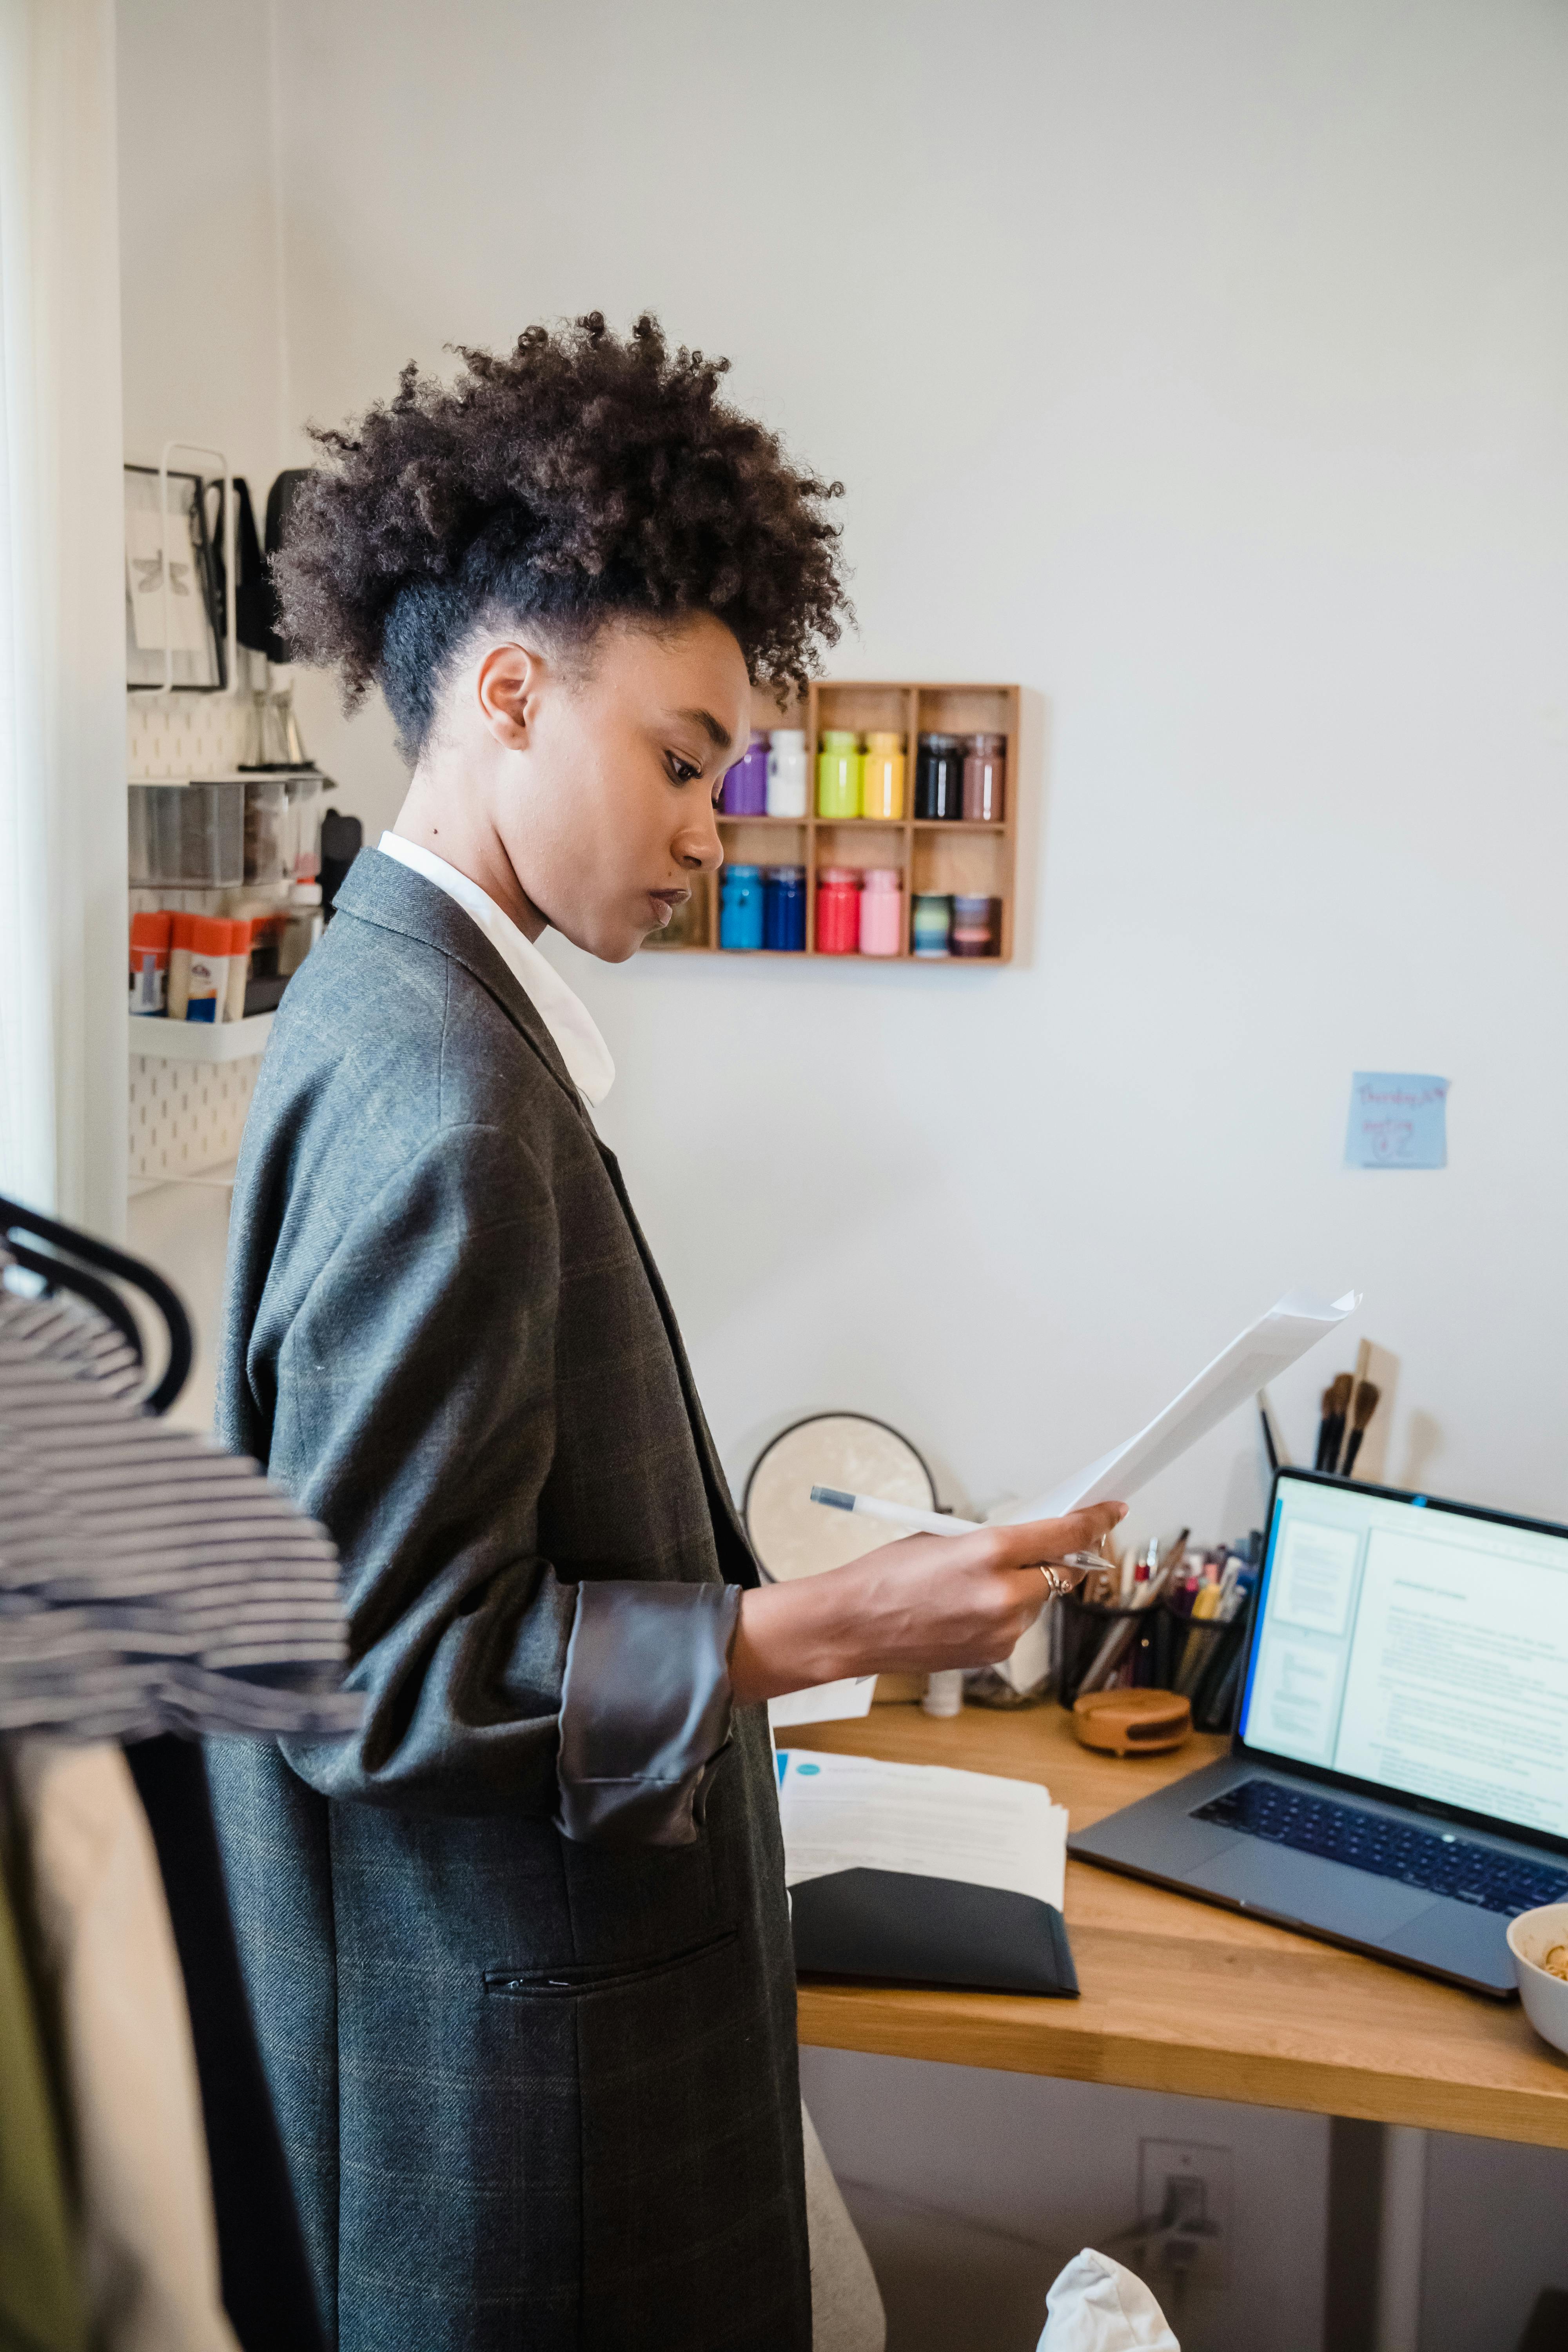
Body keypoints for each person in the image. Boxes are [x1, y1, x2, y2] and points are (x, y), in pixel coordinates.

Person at [206, 312, 1125, 2352]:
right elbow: (377, 1678)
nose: (712, 829)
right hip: (524, 2140)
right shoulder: (444, 1093)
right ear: (511, 691)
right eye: (684, 760)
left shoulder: (409, 1006)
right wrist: (824, 1627)